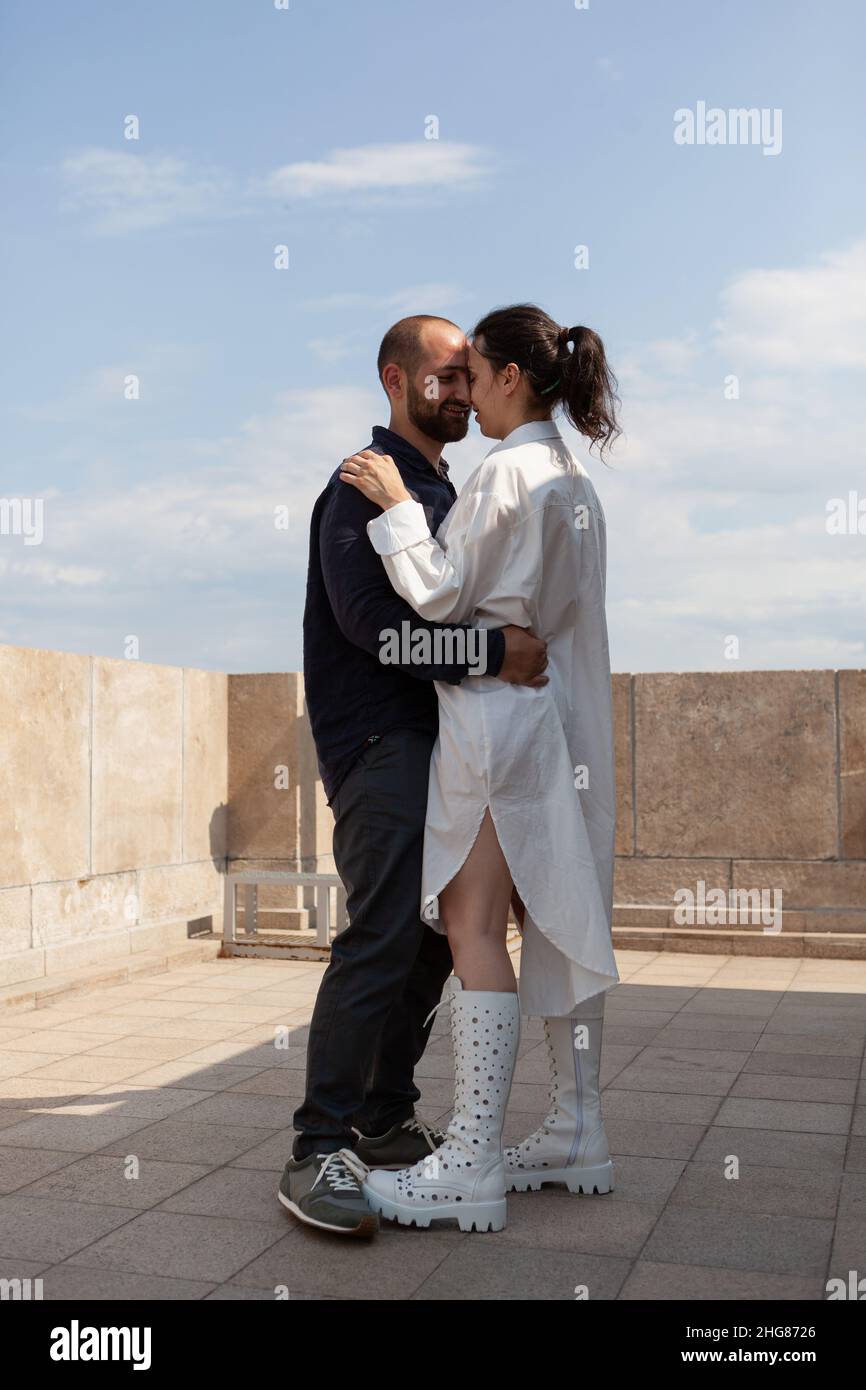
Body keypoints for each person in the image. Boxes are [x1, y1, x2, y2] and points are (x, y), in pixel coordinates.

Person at [339, 303, 622, 1233]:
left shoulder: (504, 471)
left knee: (471, 928)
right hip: (560, 726)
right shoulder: (573, 479)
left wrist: (394, 508)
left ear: (508, 378)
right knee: (560, 920)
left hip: (495, 731)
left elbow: (438, 595)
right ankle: (578, 1128)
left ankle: (469, 1158)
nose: (464, 395)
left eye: (474, 376)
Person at [278, 314, 549, 1236]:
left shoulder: (443, 487)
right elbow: (373, 630)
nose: (464, 392)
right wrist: (492, 651)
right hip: (381, 742)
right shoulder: (360, 488)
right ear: (396, 380)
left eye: (471, 377)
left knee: (442, 936)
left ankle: (383, 1117)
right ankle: (317, 1147)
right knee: (384, 931)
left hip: (452, 744)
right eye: (447, 375)